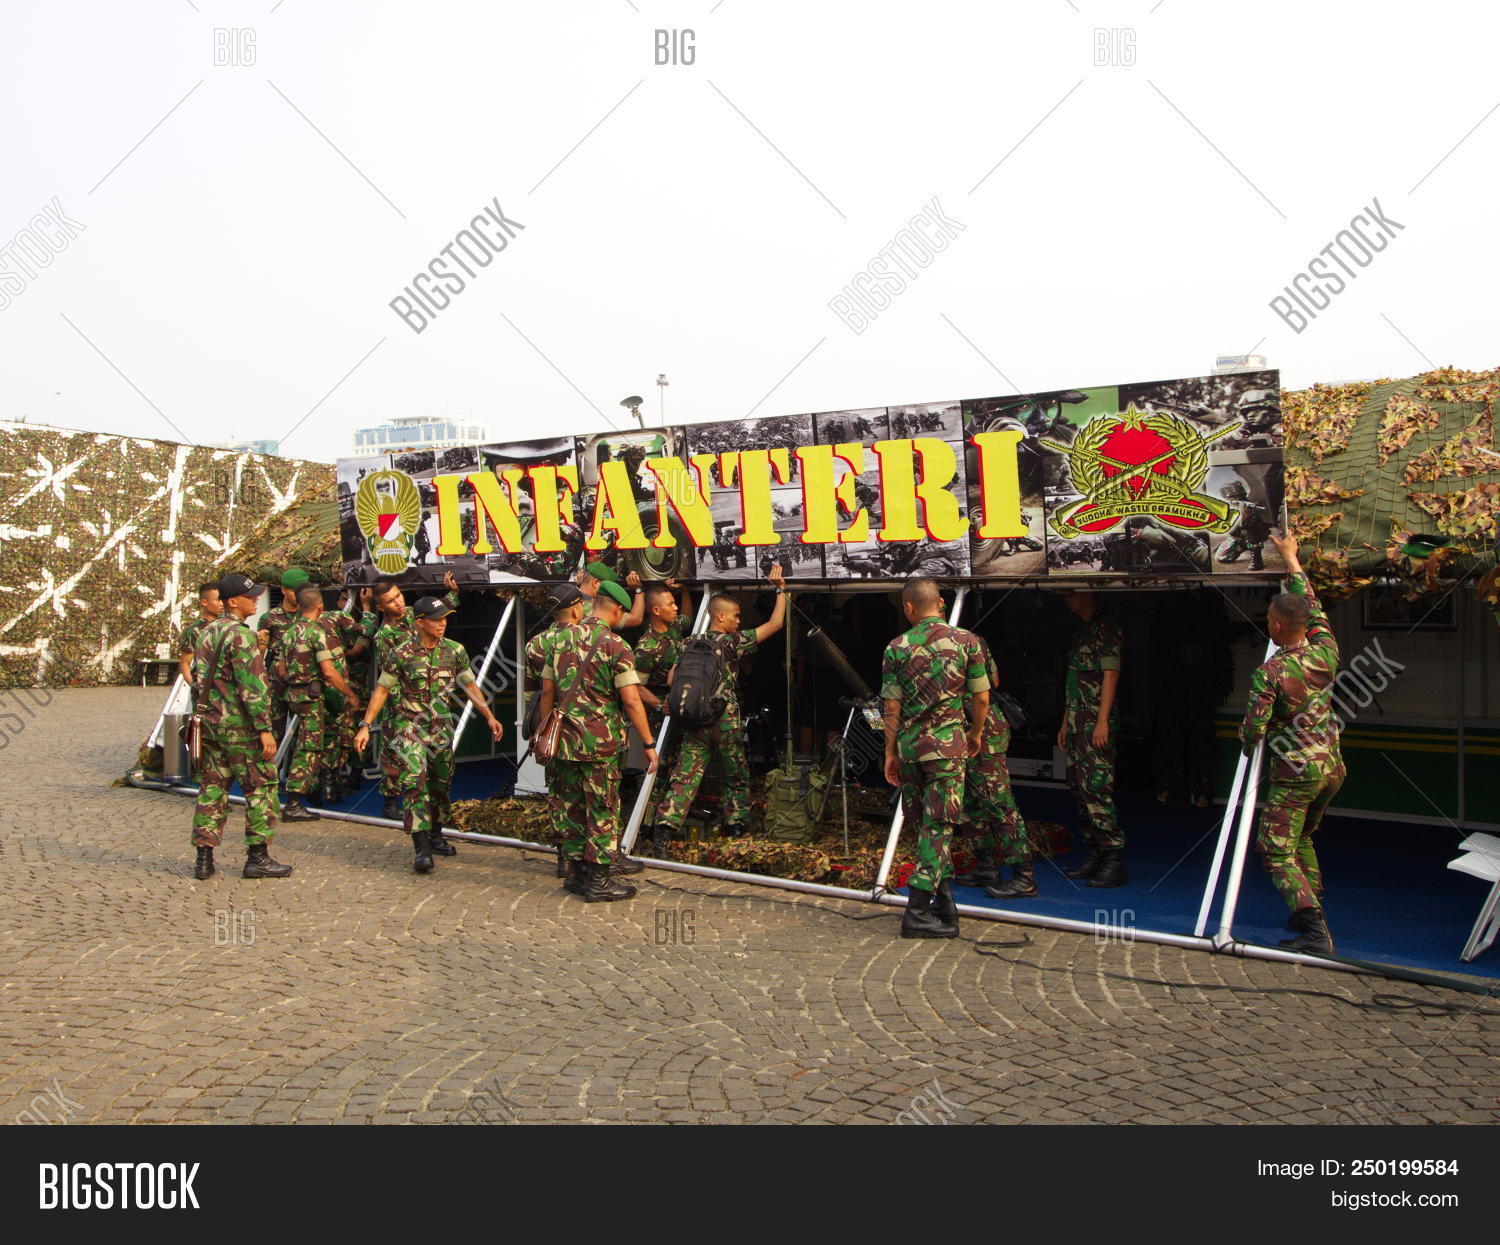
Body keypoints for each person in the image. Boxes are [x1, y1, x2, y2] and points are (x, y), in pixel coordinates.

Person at [1240, 531, 1344, 955]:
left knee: (1275, 850)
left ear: (1277, 627)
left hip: (1296, 772)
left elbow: (1254, 730)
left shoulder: (1271, 671)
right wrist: (1292, 561)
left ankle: (1313, 928)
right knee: (1302, 838)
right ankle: (1309, 903)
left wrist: (1247, 741)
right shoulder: (1327, 651)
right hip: (1332, 769)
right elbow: (1313, 607)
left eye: (1269, 620)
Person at [355, 597, 503, 873]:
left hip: (440, 730)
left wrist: (489, 716)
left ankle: (436, 834)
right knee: (414, 783)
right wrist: (366, 725)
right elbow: (382, 690)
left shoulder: (455, 651)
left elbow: (469, 685)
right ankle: (421, 848)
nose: (442, 623)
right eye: (436, 619)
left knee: (440, 785)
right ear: (420, 622)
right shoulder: (401, 653)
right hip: (408, 728)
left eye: (445, 618)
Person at [646, 565, 788, 845]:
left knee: (684, 778)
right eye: (736, 616)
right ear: (721, 616)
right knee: (735, 774)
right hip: (725, 719)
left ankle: (663, 830)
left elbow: (674, 677)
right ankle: (735, 826)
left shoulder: (687, 643)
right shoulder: (733, 643)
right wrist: (781, 590)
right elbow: (775, 625)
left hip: (693, 720)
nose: (738, 621)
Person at [536, 582, 658, 902]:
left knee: (574, 807)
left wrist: (546, 729)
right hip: (598, 745)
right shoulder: (616, 645)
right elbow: (632, 701)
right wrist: (648, 742)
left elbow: (547, 693)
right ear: (616, 610)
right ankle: (600, 881)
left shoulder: (558, 639)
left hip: (564, 743)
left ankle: (576, 875)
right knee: (603, 809)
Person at [881, 578, 988, 939]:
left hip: (911, 750)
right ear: (940, 603)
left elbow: (891, 706)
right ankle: (916, 911)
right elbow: (982, 697)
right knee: (940, 826)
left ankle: (944, 907)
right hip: (947, 750)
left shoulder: (896, 646)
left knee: (928, 827)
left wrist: (890, 751)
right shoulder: (967, 642)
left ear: (909, 608)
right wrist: (974, 734)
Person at [189, 573, 292, 881]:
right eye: (251, 597)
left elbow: (198, 677)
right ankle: (257, 857)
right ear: (233, 602)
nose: (256, 600)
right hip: (240, 727)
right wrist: (264, 728)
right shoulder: (242, 636)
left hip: (211, 724)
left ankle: (204, 859)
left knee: (212, 789)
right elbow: (253, 686)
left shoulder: (206, 632)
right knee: (261, 788)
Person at [361, 571, 461, 820]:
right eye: (391, 600)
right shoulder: (385, 635)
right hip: (401, 704)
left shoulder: (410, 614)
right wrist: (402, 708)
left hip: (427, 702)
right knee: (394, 752)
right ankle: (390, 800)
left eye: (399, 596)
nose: (398, 602)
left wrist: (453, 593)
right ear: (380, 606)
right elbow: (390, 679)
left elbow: (438, 612)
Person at [949, 634, 1034, 898]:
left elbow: (989, 688)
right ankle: (986, 867)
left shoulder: (958, 643)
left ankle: (1024, 876)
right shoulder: (975, 640)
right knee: (969, 802)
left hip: (982, 728)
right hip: (966, 728)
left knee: (997, 801)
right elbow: (995, 678)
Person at [1057, 589, 1126, 887]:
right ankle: (1096, 852)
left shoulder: (1106, 629)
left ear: (1086, 595)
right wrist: (1064, 724)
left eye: (1070, 594)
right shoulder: (1083, 631)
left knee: (1096, 788)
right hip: (1076, 724)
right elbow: (1073, 683)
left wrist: (1102, 721)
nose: (1066, 600)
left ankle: (1113, 858)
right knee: (1077, 786)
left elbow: (1110, 675)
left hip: (1094, 726)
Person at [276, 584, 362, 821]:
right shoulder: (316, 633)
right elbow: (329, 672)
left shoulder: (290, 632)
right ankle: (294, 802)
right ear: (321, 607)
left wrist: (296, 680)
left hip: (294, 696)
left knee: (314, 741)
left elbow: (281, 668)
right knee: (310, 748)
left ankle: (321, 787)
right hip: (313, 699)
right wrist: (350, 694)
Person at [525, 582, 587, 875]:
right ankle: (590, 855)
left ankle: (564, 855)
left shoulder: (535, 644)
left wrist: (538, 727)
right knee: (592, 792)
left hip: (551, 726)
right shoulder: (588, 638)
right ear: (576, 608)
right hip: (587, 726)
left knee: (558, 791)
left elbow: (530, 692)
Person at [631, 579, 694, 853]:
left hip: (678, 711)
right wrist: (658, 705)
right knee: (656, 770)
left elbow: (690, 617)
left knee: (674, 768)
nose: (675, 607)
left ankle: (664, 823)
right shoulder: (646, 647)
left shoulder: (675, 627)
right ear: (655, 611)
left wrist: (684, 590)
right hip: (659, 717)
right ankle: (646, 827)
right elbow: (635, 686)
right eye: (670, 604)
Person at [575, 561, 647, 630]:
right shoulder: (595, 608)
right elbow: (635, 619)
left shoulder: (570, 600)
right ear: (596, 583)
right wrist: (638, 589)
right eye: (607, 585)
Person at [177, 582, 223, 688]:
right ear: (204, 602)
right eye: (217, 600)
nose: (221, 604)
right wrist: (196, 687)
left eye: (222, 600)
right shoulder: (196, 630)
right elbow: (185, 664)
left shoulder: (227, 625)